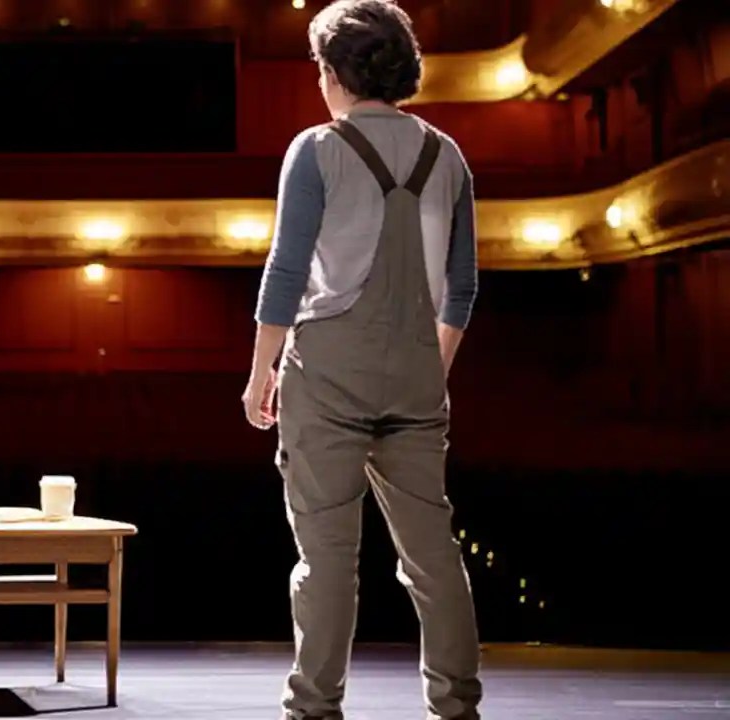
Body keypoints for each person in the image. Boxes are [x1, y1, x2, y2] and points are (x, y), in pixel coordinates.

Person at [239, 1, 482, 718]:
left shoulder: (315, 149)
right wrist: (428, 369)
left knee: (327, 561)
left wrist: (260, 373)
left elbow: (287, 270)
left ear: (338, 72)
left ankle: (314, 707)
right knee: (434, 557)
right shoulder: (449, 154)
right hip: (415, 372)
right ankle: (457, 707)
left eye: (321, 66)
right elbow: (461, 286)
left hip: (329, 376)